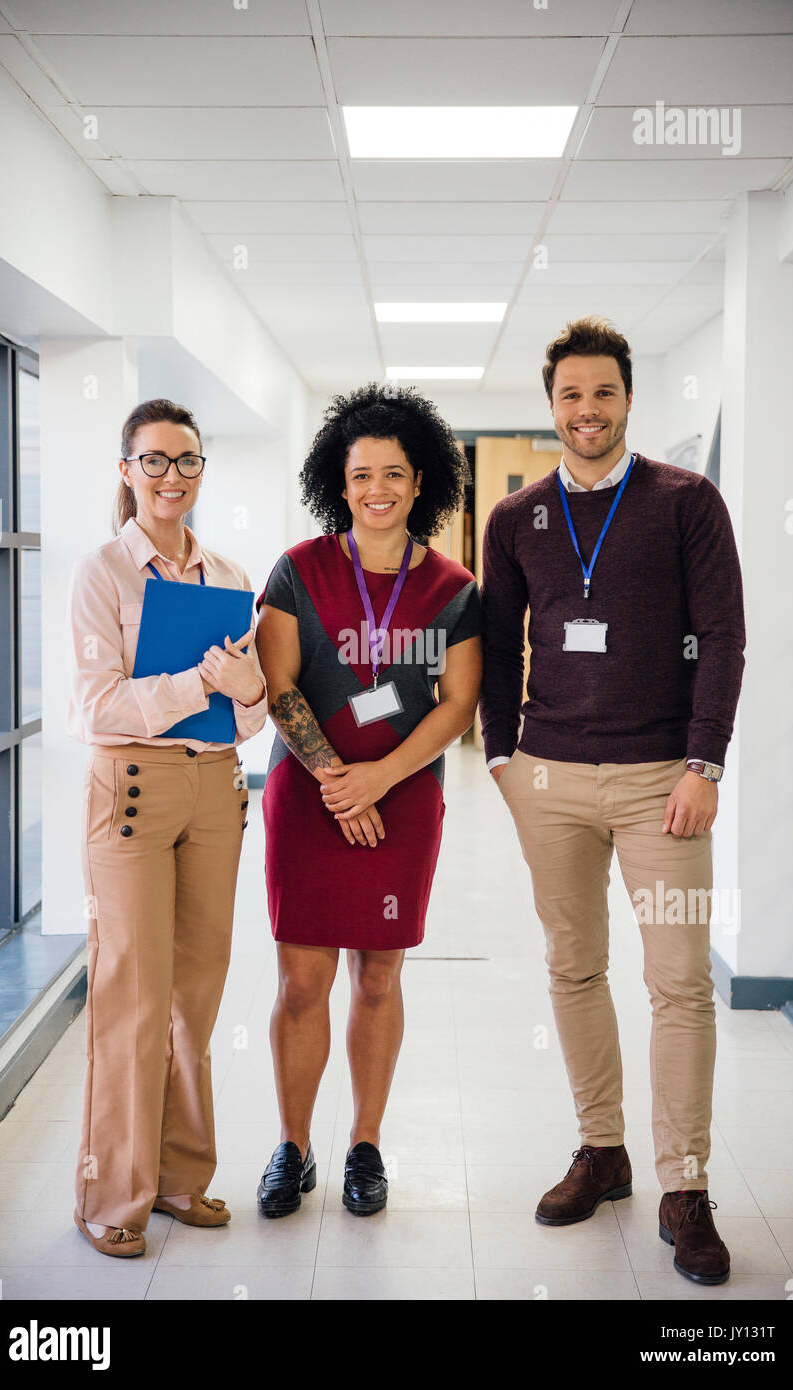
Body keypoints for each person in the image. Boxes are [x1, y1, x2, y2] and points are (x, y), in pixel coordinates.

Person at [479, 317, 745, 1286]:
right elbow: (495, 642)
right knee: (572, 967)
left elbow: (721, 637)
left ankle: (684, 1186)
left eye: (600, 392)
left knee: (676, 980)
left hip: (655, 783)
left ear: (626, 398)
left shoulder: (685, 502)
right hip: (547, 777)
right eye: (567, 395)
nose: (584, 410)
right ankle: (603, 1149)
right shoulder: (514, 521)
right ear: (548, 406)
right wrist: (500, 762)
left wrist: (701, 765)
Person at [254, 383, 482, 1217]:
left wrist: (379, 779)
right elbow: (279, 685)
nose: (377, 489)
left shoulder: (454, 588)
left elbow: (458, 705)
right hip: (310, 796)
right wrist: (335, 782)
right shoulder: (298, 569)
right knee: (302, 984)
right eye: (360, 475)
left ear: (420, 482)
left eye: (393, 473)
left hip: (404, 798)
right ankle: (292, 1146)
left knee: (379, 979)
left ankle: (364, 1146)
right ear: (337, 482)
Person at [66, 397, 268, 1257]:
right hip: (134, 795)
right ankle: (112, 1194)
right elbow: (96, 707)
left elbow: (252, 716)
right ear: (126, 471)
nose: (172, 477)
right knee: (131, 998)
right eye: (154, 461)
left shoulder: (226, 576)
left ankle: (182, 1180)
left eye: (186, 461)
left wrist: (246, 685)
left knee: (195, 996)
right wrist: (199, 682)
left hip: (215, 791)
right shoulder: (103, 573)